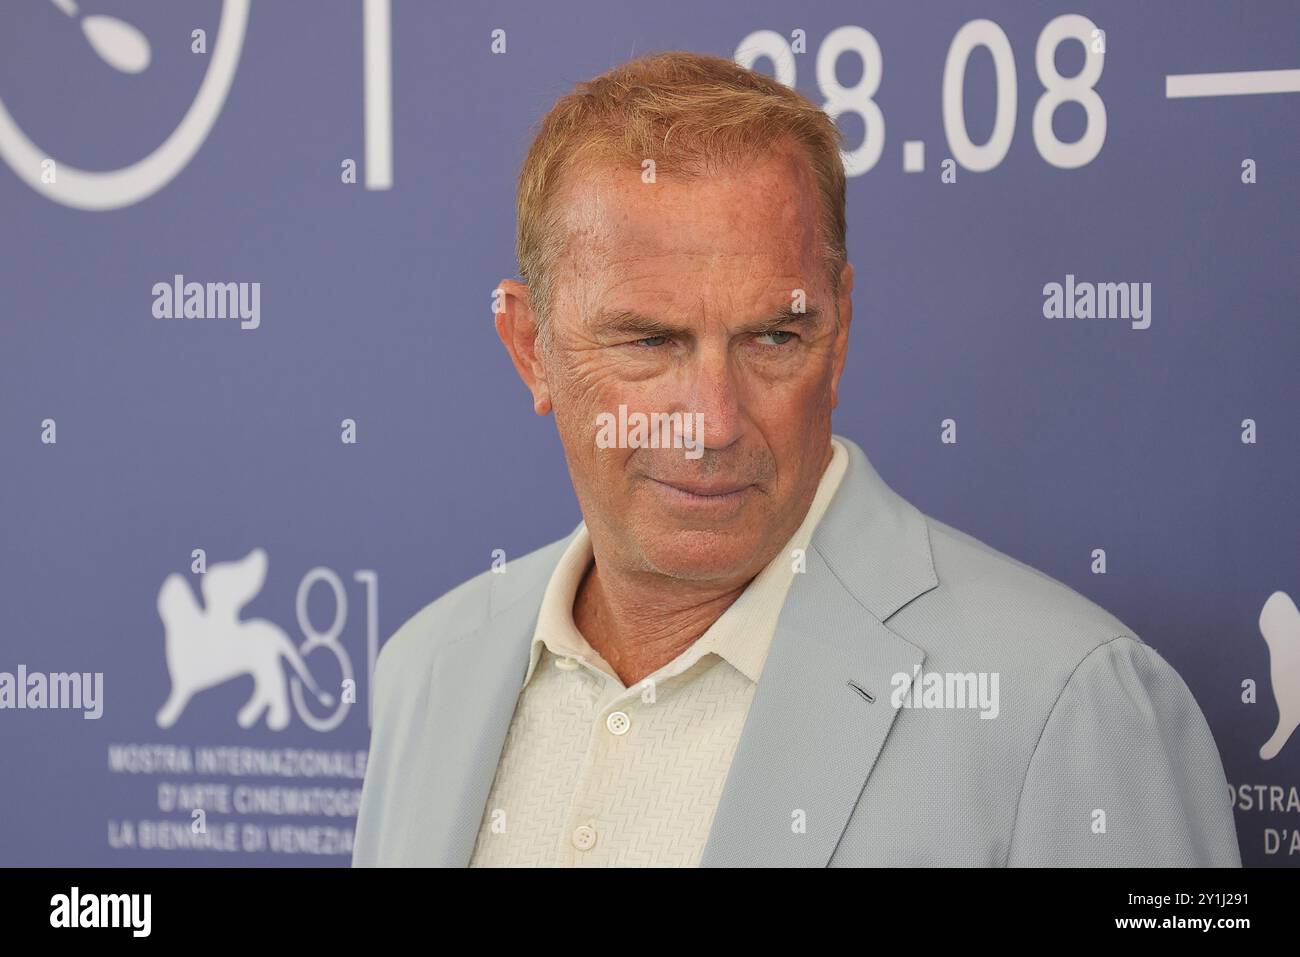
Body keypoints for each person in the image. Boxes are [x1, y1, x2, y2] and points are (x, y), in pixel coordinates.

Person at [352, 51, 1240, 867]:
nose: (712, 421)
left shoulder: (1074, 704)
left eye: (775, 335)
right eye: (650, 340)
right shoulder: (429, 670)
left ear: (840, 330)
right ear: (530, 347)